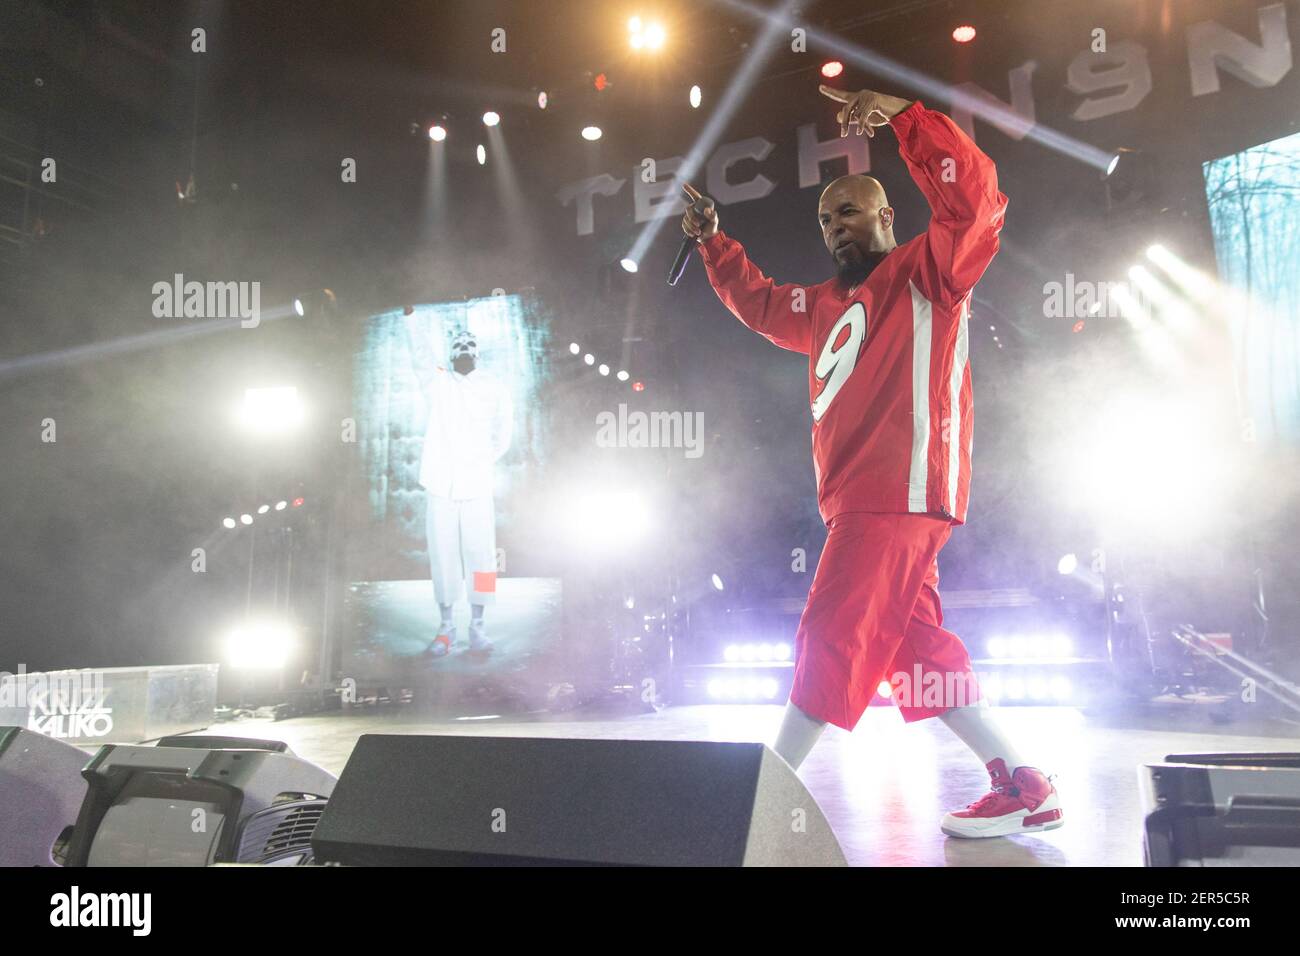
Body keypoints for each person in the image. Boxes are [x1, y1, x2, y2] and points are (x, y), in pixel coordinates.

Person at [681, 86, 1063, 839]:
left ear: (888, 215)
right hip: (866, 499)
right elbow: (760, 303)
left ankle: (758, 801)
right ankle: (1023, 784)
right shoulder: (825, 305)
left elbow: (976, 201)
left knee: (831, 633)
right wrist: (712, 245)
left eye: (850, 211)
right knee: (917, 654)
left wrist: (907, 122)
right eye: (826, 219)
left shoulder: (931, 273)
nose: (835, 228)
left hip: (898, 492)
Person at [408, 326, 512, 658]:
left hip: (478, 485)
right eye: (458, 345)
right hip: (440, 485)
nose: (465, 349)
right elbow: (422, 355)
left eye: (470, 344)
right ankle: (446, 627)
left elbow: (504, 431)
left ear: (478, 352)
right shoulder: (438, 382)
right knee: (443, 557)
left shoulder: (493, 386)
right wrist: (412, 319)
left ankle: (478, 627)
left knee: (482, 559)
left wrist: (482, 460)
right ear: (451, 354)